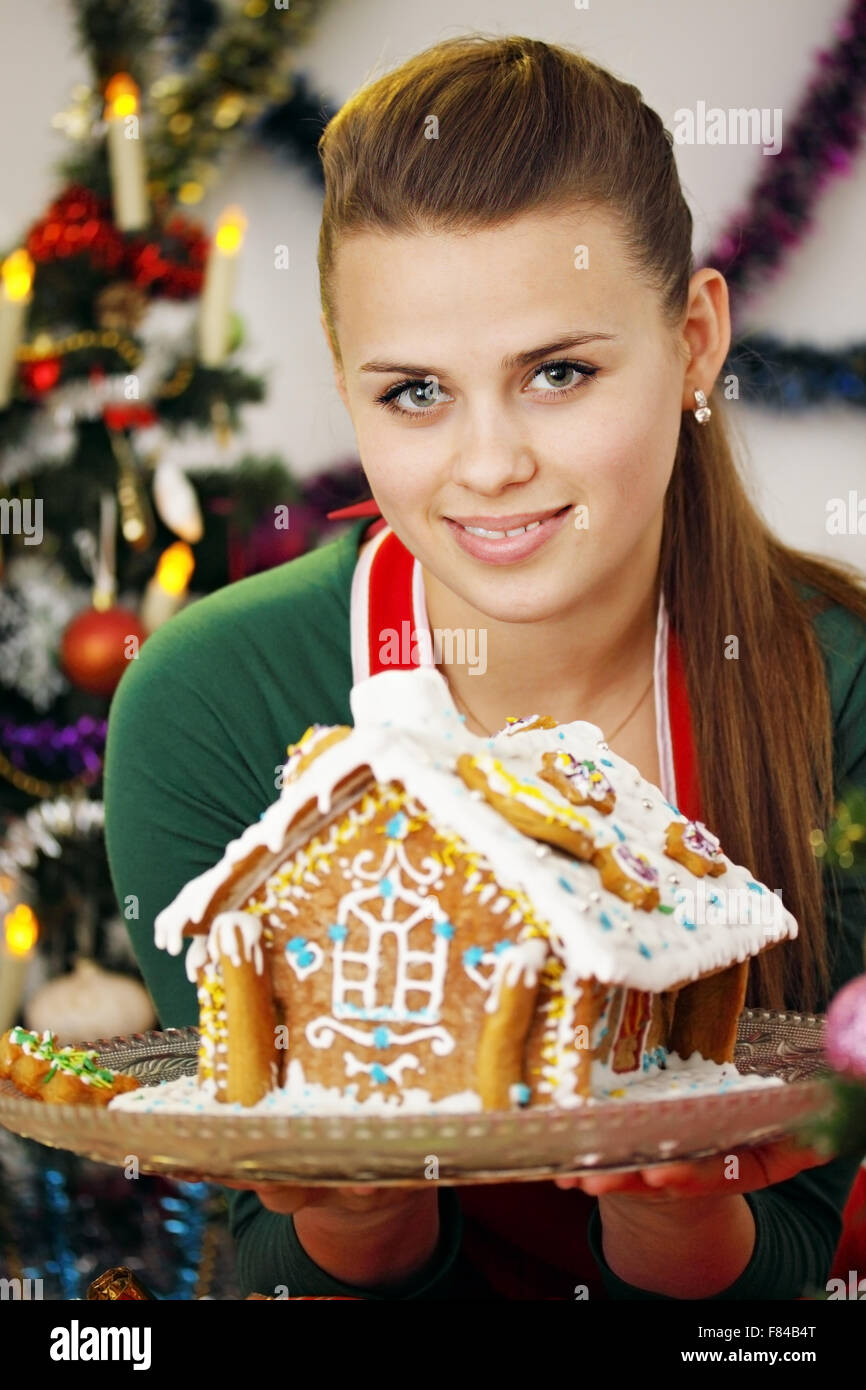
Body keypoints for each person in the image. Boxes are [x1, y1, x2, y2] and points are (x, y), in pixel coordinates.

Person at [104, 34, 866, 1300]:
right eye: (413, 393)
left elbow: (792, 1264)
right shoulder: (209, 701)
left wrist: (674, 1208)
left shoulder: (837, 687)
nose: (489, 462)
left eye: (556, 372)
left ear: (691, 340)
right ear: (348, 393)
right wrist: (352, 1214)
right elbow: (271, 1268)